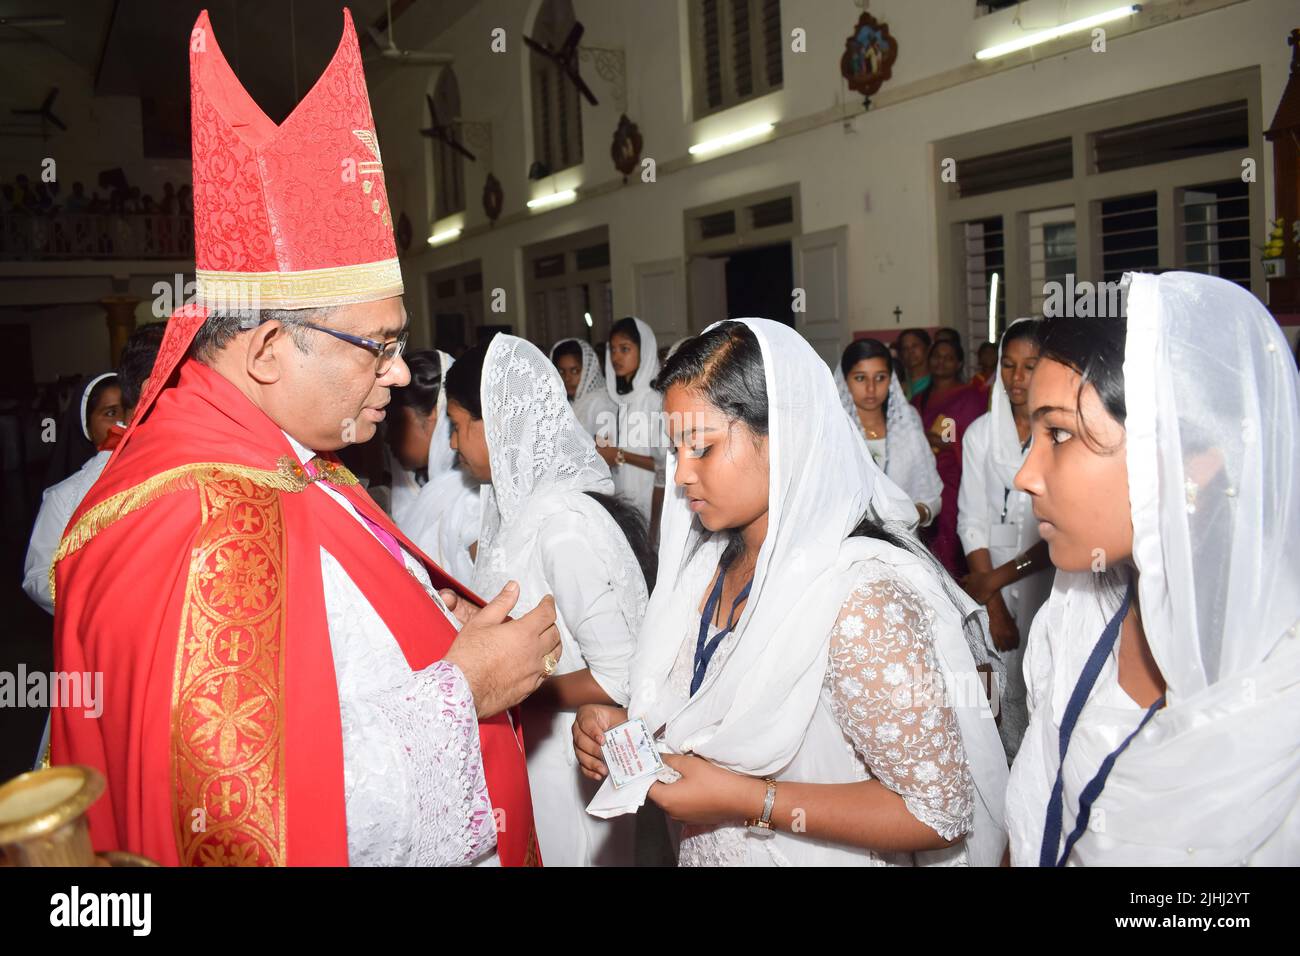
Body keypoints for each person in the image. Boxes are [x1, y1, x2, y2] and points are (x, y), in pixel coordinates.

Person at [50, 9, 557, 868]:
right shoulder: (192, 521)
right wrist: (460, 689)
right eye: (380, 346)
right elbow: (243, 829)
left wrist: (427, 624)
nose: (400, 375)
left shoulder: (281, 466)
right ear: (270, 350)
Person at [577, 318, 1009, 866]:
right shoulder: (704, 565)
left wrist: (751, 800)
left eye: (702, 447)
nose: (682, 474)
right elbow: (701, 713)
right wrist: (628, 732)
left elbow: (939, 811)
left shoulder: (861, 599)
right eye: (675, 449)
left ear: (783, 439)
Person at [1006, 272, 1300, 866]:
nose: (1025, 474)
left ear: (1192, 462)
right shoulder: (1078, 606)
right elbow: (1040, 800)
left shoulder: (1279, 692)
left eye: (1059, 433)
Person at [445, 335, 652, 866]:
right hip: (529, 751)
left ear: (493, 421)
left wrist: (514, 688)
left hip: (571, 756)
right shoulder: (513, 507)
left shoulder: (561, 525)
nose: (451, 443)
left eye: (458, 424)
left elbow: (620, 674)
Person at [957, 319, 1052, 759]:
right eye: (1008, 365)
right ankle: (1000, 785)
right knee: (991, 695)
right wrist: (993, 604)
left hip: (1044, 582)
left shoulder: (1059, 431)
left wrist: (995, 580)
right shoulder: (979, 433)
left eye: (1029, 366)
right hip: (988, 577)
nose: (1016, 378)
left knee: (1042, 689)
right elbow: (970, 519)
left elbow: (1057, 528)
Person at [24, 325, 165, 614]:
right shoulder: (66, 495)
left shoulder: (160, 464)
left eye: (121, 411)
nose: (117, 423)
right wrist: (107, 587)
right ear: (85, 424)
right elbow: (38, 578)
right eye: (108, 413)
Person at [386, 349, 480, 583]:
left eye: (396, 423)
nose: (387, 438)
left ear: (433, 419)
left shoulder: (473, 501)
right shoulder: (421, 487)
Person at [835, 338, 942, 529]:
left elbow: (932, 497)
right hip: (848, 545)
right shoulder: (834, 431)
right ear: (845, 380)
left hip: (903, 540)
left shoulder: (906, 424)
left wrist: (914, 514)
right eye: (860, 378)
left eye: (880, 377)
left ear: (891, 380)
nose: (871, 388)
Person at [913, 338, 988, 578]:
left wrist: (945, 443)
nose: (941, 362)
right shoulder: (919, 398)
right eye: (936, 356)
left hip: (954, 480)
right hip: (923, 480)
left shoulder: (970, 397)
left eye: (948, 358)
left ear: (958, 364)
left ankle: (954, 590)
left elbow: (975, 439)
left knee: (950, 539)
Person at [600, 316, 666, 532]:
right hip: (622, 498)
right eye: (613, 350)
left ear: (644, 351)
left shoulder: (654, 400)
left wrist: (619, 455)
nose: (616, 357)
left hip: (648, 500)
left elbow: (664, 465)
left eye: (625, 349)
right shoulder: (619, 399)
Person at [550, 337, 617, 439]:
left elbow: (607, 450)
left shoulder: (601, 402)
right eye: (561, 371)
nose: (567, 378)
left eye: (574, 371)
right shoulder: (564, 402)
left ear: (588, 371)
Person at [897, 327, 932, 399]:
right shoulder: (897, 381)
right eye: (905, 348)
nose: (910, 351)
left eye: (915, 346)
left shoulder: (936, 381)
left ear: (928, 349)